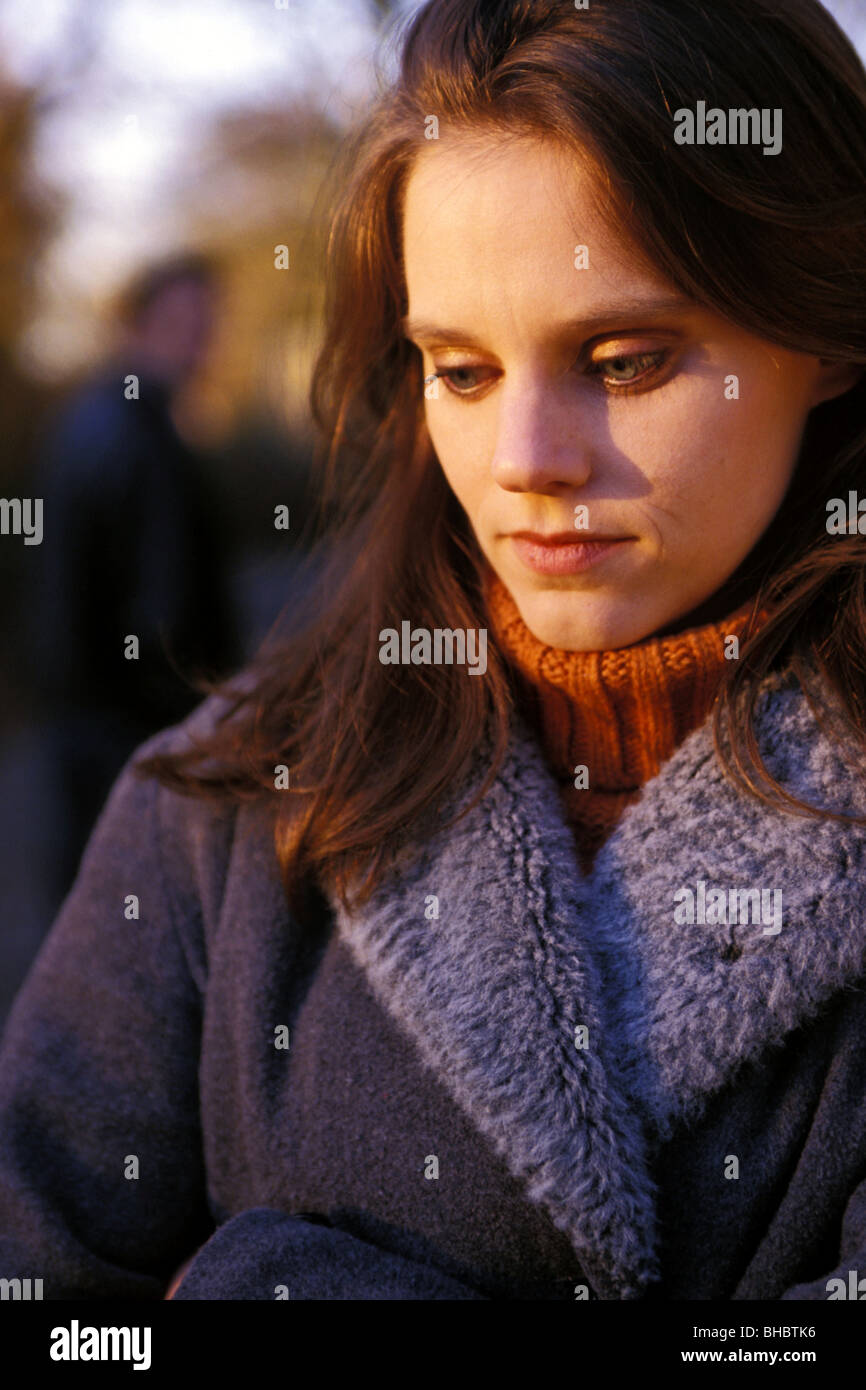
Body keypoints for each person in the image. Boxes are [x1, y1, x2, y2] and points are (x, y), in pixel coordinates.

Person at [1, 0, 866, 1302]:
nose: (524, 463)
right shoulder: (223, 806)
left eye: (623, 360)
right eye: (458, 370)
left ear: (828, 334)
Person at [31, 253, 240, 899]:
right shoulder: (136, 436)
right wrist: (202, 712)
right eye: (184, 320)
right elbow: (161, 607)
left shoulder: (93, 418)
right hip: (128, 727)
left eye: (209, 320)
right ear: (138, 326)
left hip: (87, 717)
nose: (202, 338)